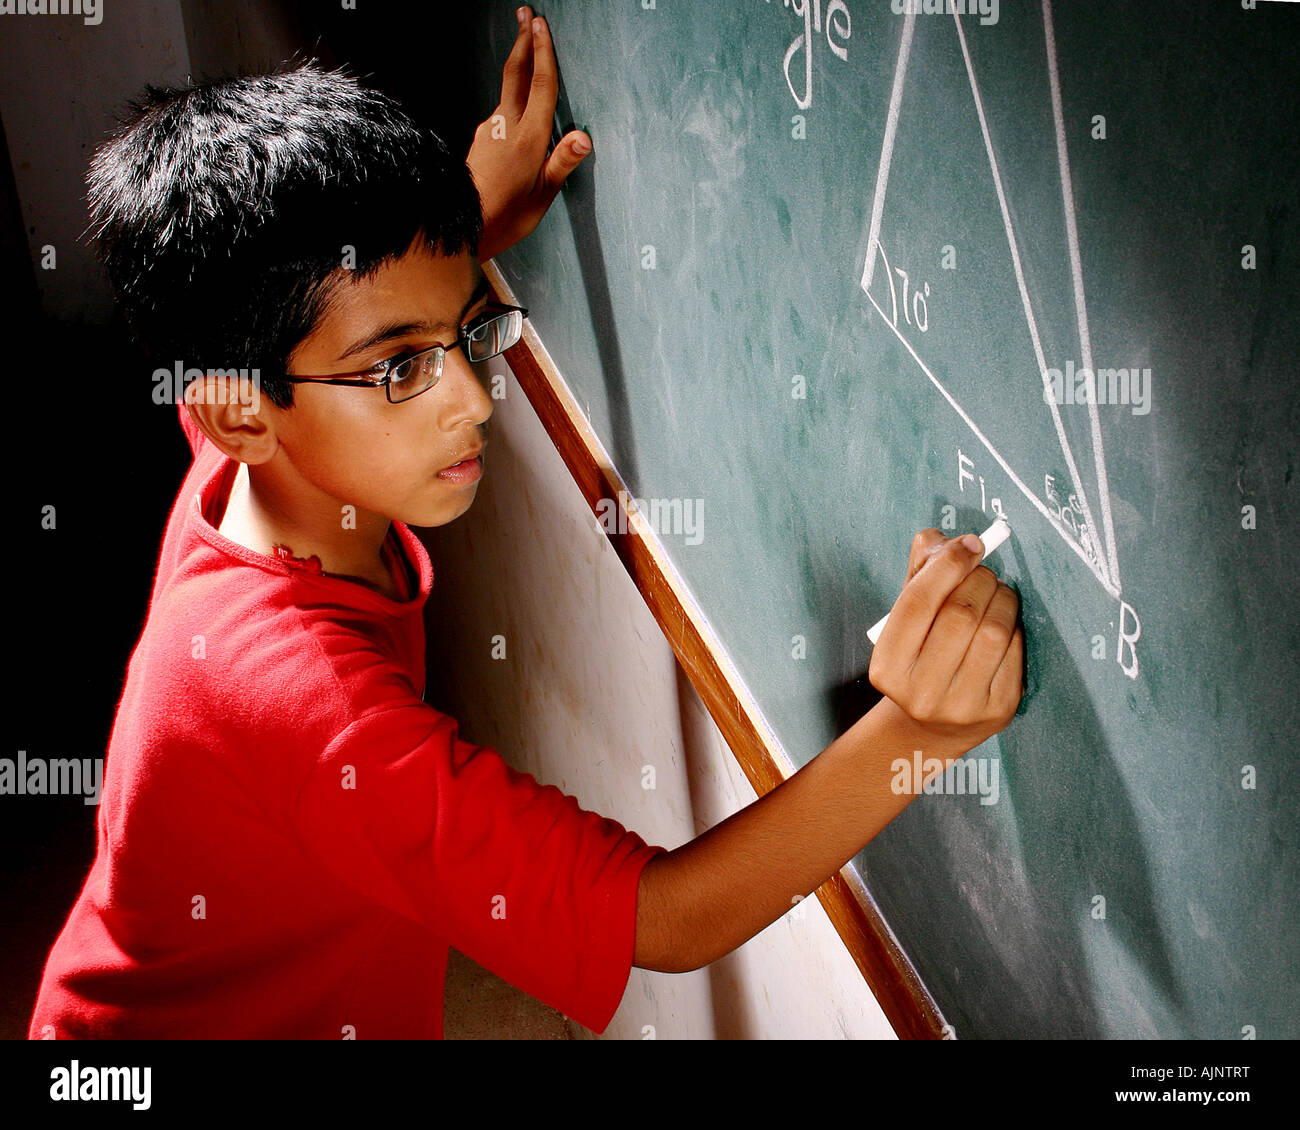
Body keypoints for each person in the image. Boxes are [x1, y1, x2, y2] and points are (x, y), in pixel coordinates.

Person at [29, 7, 1022, 1039]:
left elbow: (328, 332)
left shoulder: (241, 451)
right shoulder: (308, 712)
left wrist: (459, 233)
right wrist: (919, 731)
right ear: (243, 410)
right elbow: (666, 918)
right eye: (402, 365)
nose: (474, 396)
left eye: (466, 328)